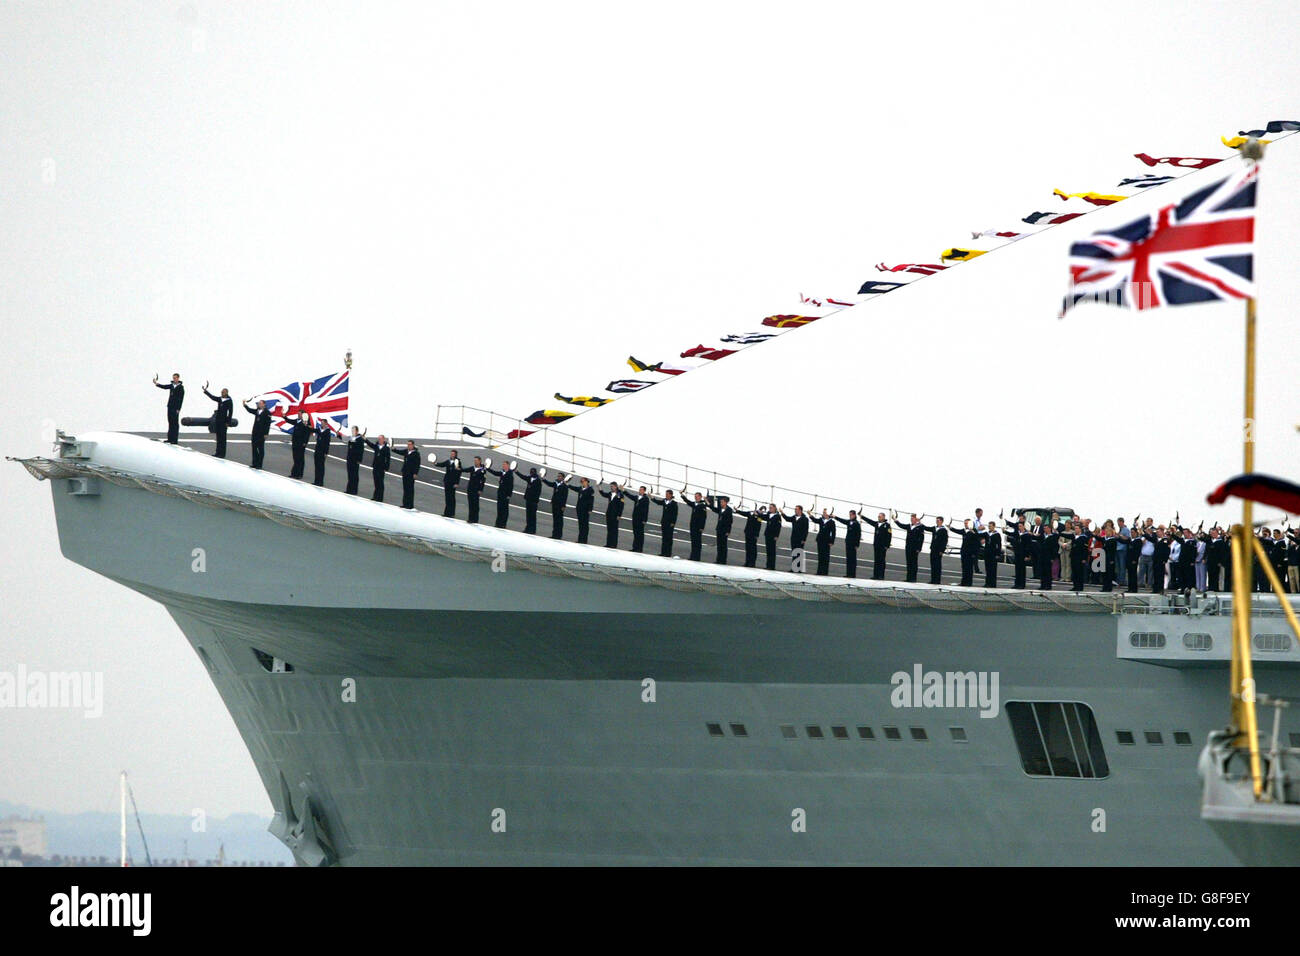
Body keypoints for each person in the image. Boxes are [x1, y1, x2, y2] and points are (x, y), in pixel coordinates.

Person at [201, 382, 234, 458]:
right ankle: (217, 452)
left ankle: (222, 453)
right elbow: (213, 397)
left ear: (226, 393)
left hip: (224, 421)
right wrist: (206, 391)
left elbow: (230, 411)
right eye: (221, 392)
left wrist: (228, 422)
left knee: (223, 438)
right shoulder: (220, 399)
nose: (222, 393)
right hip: (218, 420)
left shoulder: (229, 400)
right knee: (218, 437)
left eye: (223, 392)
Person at [153, 372, 185, 444]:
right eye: (173, 378)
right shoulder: (171, 385)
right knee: (170, 422)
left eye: (175, 378)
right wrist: (157, 384)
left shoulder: (181, 388)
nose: (174, 379)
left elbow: (181, 399)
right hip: (170, 406)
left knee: (175, 424)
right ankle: (170, 438)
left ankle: (174, 439)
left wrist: (178, 409)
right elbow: (164, 387)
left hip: (175, 408)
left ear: (178, 378)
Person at [243, 398, 272, 470]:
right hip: (255, 432)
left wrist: (266, 433)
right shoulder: (257, 411)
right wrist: (245, 405)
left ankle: (259, 464)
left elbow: (268, 424)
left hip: (262, 433)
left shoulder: (267, 413)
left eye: (260, 403)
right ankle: (254, 463)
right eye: (259, 403)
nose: (259, 404)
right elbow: (250, 410)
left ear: (264, 404)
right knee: (254, 448)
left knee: (260, 449)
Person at [918, 516, 948, 585]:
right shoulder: (934, 528)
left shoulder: (944, 530)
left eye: (938, 520)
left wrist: (942, 550)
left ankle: (937, 580)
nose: (937, 521)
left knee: (937, 565)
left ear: (941, 521)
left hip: (939, 550)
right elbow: (926, 528)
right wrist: (920, 523)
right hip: (933, 549)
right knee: (933, 565)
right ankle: (933, 579)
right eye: (936, 520)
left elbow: (944, 541)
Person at [951, 519, 981, 587]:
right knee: (964, 568)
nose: (965, 524)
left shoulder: (974, 532)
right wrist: (950, 528)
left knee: (969, 569)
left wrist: (974, 554)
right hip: (964, 552)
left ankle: (969, 582)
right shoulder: (964, 531)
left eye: (967, 523)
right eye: (965, 523)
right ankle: (963, 582)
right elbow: (957, 531)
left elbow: (977, 543)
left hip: (970, 554)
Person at [896, 513, 925, 583]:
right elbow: (901, 525)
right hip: (908, 547)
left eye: (913, 518)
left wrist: (919, 548)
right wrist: (895, 520)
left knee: (914, 563)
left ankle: (913, 578)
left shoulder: (920, 527)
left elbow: (921, 539)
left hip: (915, 548)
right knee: (909, 563)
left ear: (916, 519)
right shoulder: (909, 526)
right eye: (911, 519)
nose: (911, 520)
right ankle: (908, 578)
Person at [488, 460, 516, 529]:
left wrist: (509, 495)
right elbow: (495, 473)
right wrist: (488, 469)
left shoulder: (510, 474)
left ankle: (503, 524)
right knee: (499, 508)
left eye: (504, 464)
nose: (503, 466)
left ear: (508, 466)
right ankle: (498, 523)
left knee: (504, 510)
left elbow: (511, 486)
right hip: (500, 493)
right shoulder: (503, 472)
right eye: (503, 464)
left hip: (505, 495)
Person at [435, 450, 464, 518]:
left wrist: (457, 483)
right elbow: (442, 464)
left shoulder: (457, 462)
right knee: (447, 497)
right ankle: (446, 512)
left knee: (451, 497)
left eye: (453, 454)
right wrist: (435, 463)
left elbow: (459, 473)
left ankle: (451, 513)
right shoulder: (448, 461)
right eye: (451, 454)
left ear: (455, 455)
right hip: (447, 481)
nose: (451, 455)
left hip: (453, 482)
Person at [834, 510, 862, 578]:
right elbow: (843, 521)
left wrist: (857, 544)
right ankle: (848, 573)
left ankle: (853, 574)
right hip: (848, 543)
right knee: (848, 558)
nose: (850, 516)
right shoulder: (849, 522)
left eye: (851, 515)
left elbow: (858, 534)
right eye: (849, 515)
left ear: (854, 515)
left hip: (853, 544)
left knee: (853, 559)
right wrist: (835, 517)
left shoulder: (857, 524)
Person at [683, 491, 710, 561]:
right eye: (695, 496)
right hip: (692, 525)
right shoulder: (695, 504)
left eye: (697, 496)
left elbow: (704, 517)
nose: (696, 498)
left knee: (697, 542)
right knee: (693, 541)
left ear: (700, 497)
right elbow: (688, 502)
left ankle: (697, 557)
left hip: (698, 527)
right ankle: (692, 556)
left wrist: (702, 527)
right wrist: (682, 495)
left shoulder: (702, 505)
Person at [544, 472, 571, 539]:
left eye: (560, 476)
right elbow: (549, 484)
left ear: (563, 478)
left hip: (560, 505)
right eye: (558, 476)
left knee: (559, 520)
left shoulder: (564, 486)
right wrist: (543, 479)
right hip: (554, 504)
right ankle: (554, 534)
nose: (558, 477)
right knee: (555, 519)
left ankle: (558, 535)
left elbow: (565, 496)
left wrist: (563, 506)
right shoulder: (556, 483)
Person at [708, 494, 734, 565]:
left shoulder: (729, 510)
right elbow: (714, 509)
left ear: (725, 502)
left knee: (723, 545)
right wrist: (708, 504)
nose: (721, 503)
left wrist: (728, 531)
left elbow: (730, 521)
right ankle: (718, 559)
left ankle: (723, 560)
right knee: (719, 545)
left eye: (722, 502)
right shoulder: (720, 509)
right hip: (719, 529)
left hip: (724, 530)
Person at [864, 513, 891, 580]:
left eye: (880, 517)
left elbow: (889, 536)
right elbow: (870, 521)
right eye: (878, 517)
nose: (879, 518)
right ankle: (875, 575)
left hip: (883, 546)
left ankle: (881, 575)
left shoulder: (887, 525)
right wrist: (862, 517)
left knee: (881, 561)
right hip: (876, 545)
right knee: (876, 560)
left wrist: (887, 545)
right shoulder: (876, 524)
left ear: (883, 517)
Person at [809, 508, 836, 576]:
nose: (823, 513)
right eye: (823, 512)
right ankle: (819, 571)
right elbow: (815, 520)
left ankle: (825, 572)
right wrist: (810, 514)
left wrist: (832, 542)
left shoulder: (831, 522)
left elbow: (833, 533)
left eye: (824, 512)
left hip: (827, 541)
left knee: (826, 557)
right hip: (820, 540)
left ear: (828, 514)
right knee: (820, 556)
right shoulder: (821, 520)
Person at [783, 505, 810, 572]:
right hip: (793, 538)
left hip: (800, 539)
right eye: (795, 509)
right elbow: (787, 519)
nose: (795, 510)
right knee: (794, 553)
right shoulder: (794, 517)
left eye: (796, 509)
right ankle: (794, 568)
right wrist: (782, 513)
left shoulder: (805, 519)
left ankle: (799, 568)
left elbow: (806, 530)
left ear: (800, 510)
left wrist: (804, 539)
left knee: (799, 553)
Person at [365, 434, 391, 501]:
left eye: (380, 439)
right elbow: (370, 444)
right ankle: (375, 496)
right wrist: (365, 439)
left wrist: (386, 467)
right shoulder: (376, 446)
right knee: (376, 481)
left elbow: (388, 459)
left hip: (381, 467)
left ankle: (380, 497)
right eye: (378, 439)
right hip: (375, 466)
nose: (379, 440)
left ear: (383, 439)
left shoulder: (386, 448)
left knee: (380, 482)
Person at [737, 503, 764, 568]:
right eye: (761, 510)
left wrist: (757, 534)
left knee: (753, 549)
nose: (761, 512)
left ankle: (752, 563)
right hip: (748, 532)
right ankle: (747, 562)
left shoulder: (759, 517)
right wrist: (737, 511)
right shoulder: (750, 513)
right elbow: (744, 513)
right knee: (748, 548)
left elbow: (759, 526)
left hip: (753, 534)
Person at [653, 489, 678, 557]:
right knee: (664, 538)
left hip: (670, 523)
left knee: (669, 538)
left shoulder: (674, 503)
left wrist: (673, 522)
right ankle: (663, 552)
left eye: (667, 494)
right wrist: (652, 498)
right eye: (666, 494)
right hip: (664, 522)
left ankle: (668, 552)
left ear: (670, 495)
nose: (666, 495)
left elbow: (675, 514)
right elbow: (659, 502)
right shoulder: (664, 501)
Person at [396, 440, 421, 509]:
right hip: (405, 472)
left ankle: (410, 505)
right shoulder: (406, 451)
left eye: (410, 444)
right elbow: (399, 452)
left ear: (413, 445)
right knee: (405, 488)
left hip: (411, 473)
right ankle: (405, 503)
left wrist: (415, 473)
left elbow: (417, 464)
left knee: (410, 489)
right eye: (408, 444)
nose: (408, 446)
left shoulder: (416, 453)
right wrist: (393, 449)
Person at [600, 482, 625, 548]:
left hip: (615, 515)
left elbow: (621, 506)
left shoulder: (620, 494)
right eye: (611, 486)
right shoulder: (610, 494)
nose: (611, 488)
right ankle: (608, 543)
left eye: (613, 486)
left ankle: (614, 544)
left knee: (614, 530)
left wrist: (619, 515)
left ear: (616, 487)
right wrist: (599, 488)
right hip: (609, 513)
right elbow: (603, 494)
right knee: (609, 529)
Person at [1036, 525, 1060, 590]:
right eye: (1044, 528)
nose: (1045, 530)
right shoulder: (1042, 536)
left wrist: (1053, 557)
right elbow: (1036, 539)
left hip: (1049, 556)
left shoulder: (1053, 536)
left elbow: (1055, 547)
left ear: (1049, 529)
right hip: (1042, 555)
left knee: (1048, 571)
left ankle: (1048, 585)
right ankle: (1042, 585)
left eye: (1046, 528)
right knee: (1042, 571)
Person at [344, 426, 367, 494]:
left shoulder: (360, 439)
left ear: (357, 431)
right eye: (352, 430)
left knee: (355, 475)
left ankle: (354, 490)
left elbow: (361, 450)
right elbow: (345, 439)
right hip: (350, 458)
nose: (352, 432)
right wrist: (338, 435)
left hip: (355, 459)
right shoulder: (351, 438)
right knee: (350, 474)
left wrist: (359, 459)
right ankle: (349, 489)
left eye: (353, 430)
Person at [312, 419, 335, 486]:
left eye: (322, 423)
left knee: (321, 466)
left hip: (322, 451)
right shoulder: (319, 430)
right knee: (316, 466)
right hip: (317, 450)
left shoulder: (327, 432)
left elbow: (327, 443)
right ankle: (316, 480)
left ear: (326, 424)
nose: (321, 424)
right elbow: (313, 430)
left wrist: (326, 452)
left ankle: (320, 481)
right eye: (321, 423)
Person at [464, 456, 487, 524]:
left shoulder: (482, 470)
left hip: (476, 489)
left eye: (476, 460)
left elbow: (483, 481)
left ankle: (475, 519)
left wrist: (480, 489)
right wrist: (458, 468)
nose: (475, 462)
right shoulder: (472, 468)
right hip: (470, 488)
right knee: (470, 504)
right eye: (474, 460)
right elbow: (464, 470)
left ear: (480, 461)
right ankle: (470, 518)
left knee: (475, 505)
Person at [289, 413, 312, 479]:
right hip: (295, 442)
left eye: (299, 414)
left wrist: (305, 442)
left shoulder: (306, 423)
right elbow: (291, 421)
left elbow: (307, 434)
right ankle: (294, 473)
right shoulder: (297, 421)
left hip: (301, 443)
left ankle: (299, 474)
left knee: (300, 459)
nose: (298, 415)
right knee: (295, 458)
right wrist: (284, 417)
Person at [521, 468, 543, 534]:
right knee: (528, 515)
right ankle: (527, 528)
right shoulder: (529, 478)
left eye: (533, 472)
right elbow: (523, 477)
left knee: (533, 516)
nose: (531, 473)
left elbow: (539, 492)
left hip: (534, 501)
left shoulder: (538, 481)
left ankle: (532, 530)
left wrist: (536, 500)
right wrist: (517, 472)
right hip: (528, 499)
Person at [629, 486, 651, 553]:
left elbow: (646, 510)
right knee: (635, 533)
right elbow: (630, 496)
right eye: (639, 489)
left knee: (640, 534)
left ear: (644, 491)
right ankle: (635, 547)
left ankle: (639, 548)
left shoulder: (646, 499)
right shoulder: (637, 497)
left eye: (641, 490)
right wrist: (624, 491)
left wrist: (645, 519)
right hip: (635, 517)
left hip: (641, 519)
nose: (640, 491)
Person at [574, 477, 595, 544]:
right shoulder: (581, 488)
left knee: (585, 525)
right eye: (581, 482)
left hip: (586, 510)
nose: (582, 483)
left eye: (583, 481)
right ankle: (580, 539)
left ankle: (584, 540)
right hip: (579, 509)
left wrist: (590, 509)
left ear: (587, 482)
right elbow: (575, 488)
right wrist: (568, 485)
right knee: (580, 524)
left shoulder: (590, 490)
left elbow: (591, 500)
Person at [763, 505, 784, 571]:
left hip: (773, 535)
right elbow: (764, 517)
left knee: (772, 551)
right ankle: (768, 565)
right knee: (768, 550)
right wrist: (758, 514)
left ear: (775, 508)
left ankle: (772, 566)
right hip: (767, 534)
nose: (770, 509)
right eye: (769, 508)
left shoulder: (777, 516)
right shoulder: (769, 514)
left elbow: (778, 527)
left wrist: (776, 535)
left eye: (771, 508)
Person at [983, 521, 1002, 588]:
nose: (989, 527)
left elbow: (999, 545)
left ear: (994, 526)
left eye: (990, 526)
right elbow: (979, 536)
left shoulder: (997, 534)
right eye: (989, 526)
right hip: (987, 553)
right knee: (987, 569)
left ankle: (992, 583)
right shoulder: (987, 534)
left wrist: (998, 554)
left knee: (993, 569)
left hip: (993, 554)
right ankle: (987, 582)